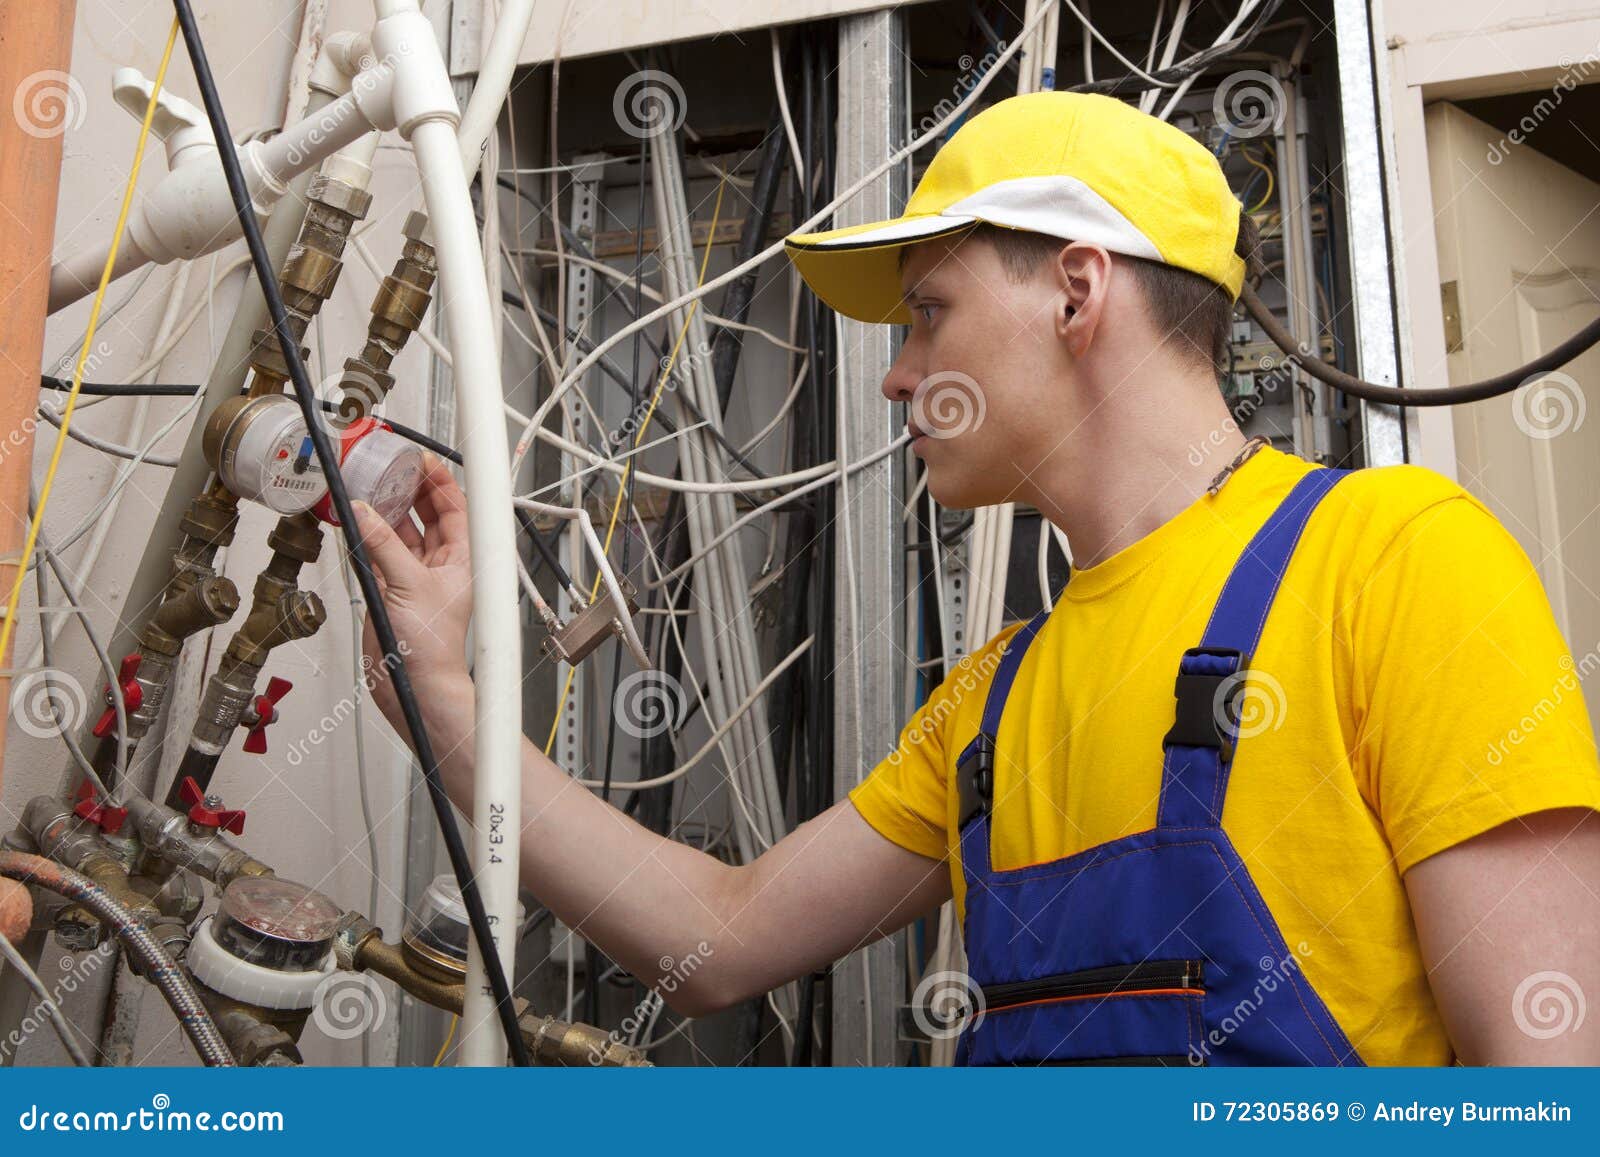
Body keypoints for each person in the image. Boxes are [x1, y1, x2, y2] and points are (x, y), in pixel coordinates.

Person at [351, 92, 1600, 1065]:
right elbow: (718, 936)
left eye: (928, 311)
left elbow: (1548, 1080)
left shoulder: (1394, 556)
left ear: (1075, 290)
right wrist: (442, 705)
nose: (897, 376)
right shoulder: (996, 700)